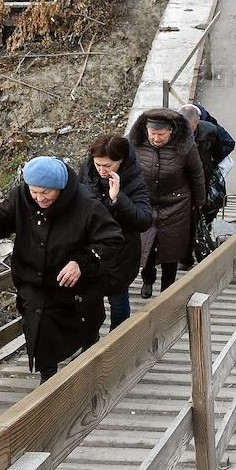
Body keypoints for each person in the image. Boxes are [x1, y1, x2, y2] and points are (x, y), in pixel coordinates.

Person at [0, 156, 122, 382]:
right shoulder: (22, 196)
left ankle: (87, 357)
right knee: (38, 329)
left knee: (82, 327)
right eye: (34, 191)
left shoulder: (86, 203)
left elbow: (111, 239)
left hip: (73, 285)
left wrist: (82, 261)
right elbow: (3, 219)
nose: (39, 198)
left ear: (59, 188)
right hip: (32, 279)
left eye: (46, 193)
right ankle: (47, 377)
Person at [78, 135, 153, 330]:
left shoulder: (135, 178)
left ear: (121, 161)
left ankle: (118, 339)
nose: (102, 170)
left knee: (118, 299)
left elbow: (144, 220)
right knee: (87, 300)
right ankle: (89, 344)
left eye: (108, 166)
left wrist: (117, 198)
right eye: (98, 164)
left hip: (121, 251)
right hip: (90, 247)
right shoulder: (87, 170)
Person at [129, 109, 205, 297]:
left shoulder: (185, 146)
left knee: (171, 248)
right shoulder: (135, 144)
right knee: (145, 244)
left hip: (176, 204)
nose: (156, 138)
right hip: (144, 202)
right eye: (152, 133)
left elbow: (197, 174)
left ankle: (167, 289)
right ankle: (148, 278)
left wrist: (199, 200)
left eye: (160, 134)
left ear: (171, 131)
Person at [178, 104, 230, 265]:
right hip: (180, 181)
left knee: (201, 214)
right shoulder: (172, 132)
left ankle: (199, 246)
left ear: (197, 122)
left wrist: (209, 165)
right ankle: (184, 255)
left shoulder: (210, 130)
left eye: (191, 126)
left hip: (203, 178)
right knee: (183, 219)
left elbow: (220, 152)